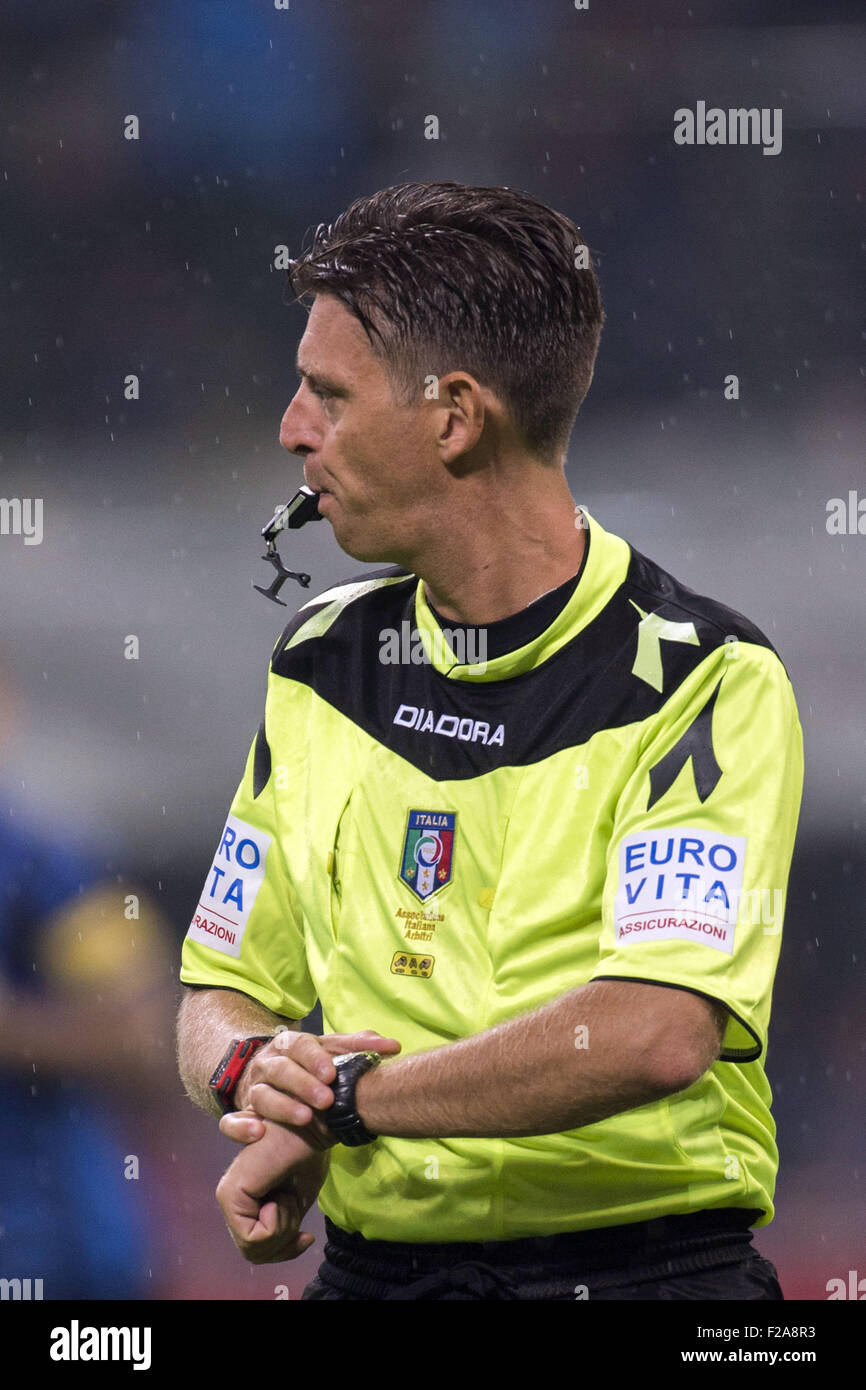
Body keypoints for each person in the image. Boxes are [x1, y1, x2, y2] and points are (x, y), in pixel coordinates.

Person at [176, 181, 803, 1301]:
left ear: (454, 417)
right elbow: (221, 983)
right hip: (373, 1280)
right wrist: (254, 1071)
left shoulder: (702, 679)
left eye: (325, 392)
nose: (291, 430)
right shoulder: (316, 661)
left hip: (647, 1279)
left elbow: (651, 1032)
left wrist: (346, 1102)